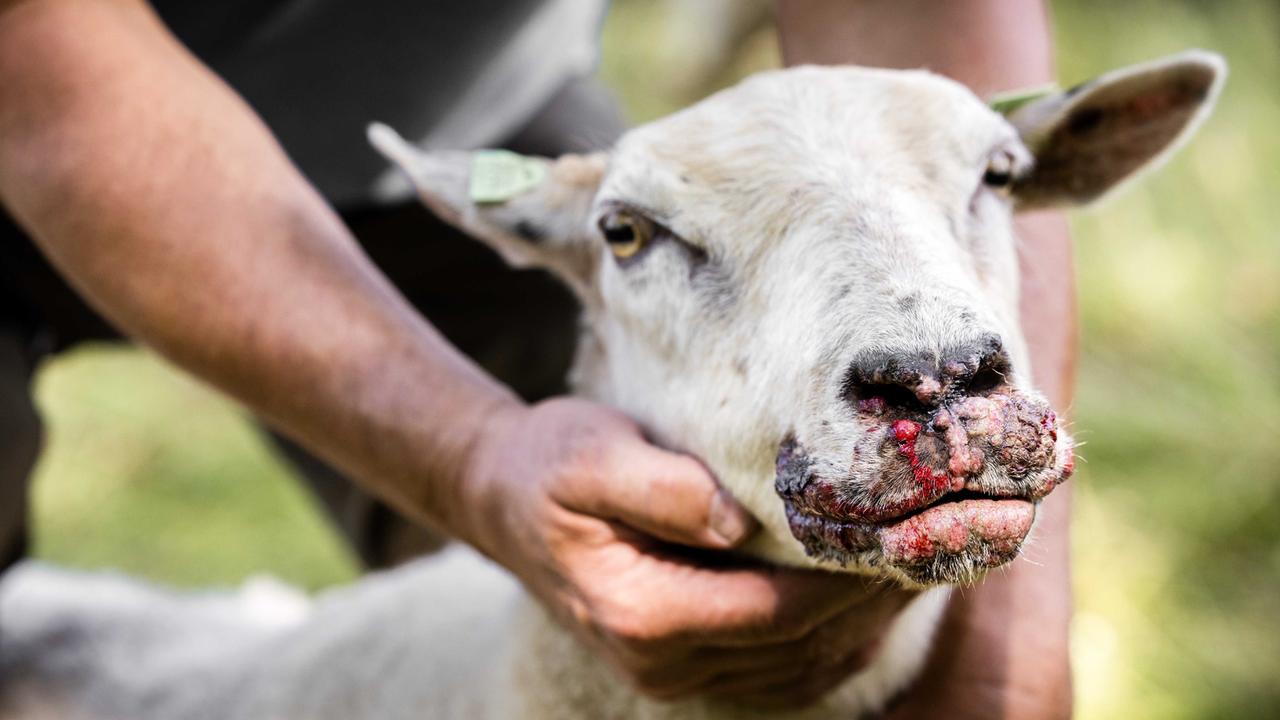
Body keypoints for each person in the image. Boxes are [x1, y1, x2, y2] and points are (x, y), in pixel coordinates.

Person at [0, 0, 1073, 715]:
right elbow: (43, 75)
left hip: (466, 120)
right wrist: (466, 457)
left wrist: (1005, 672)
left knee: (612, 545)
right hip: (47, 89)